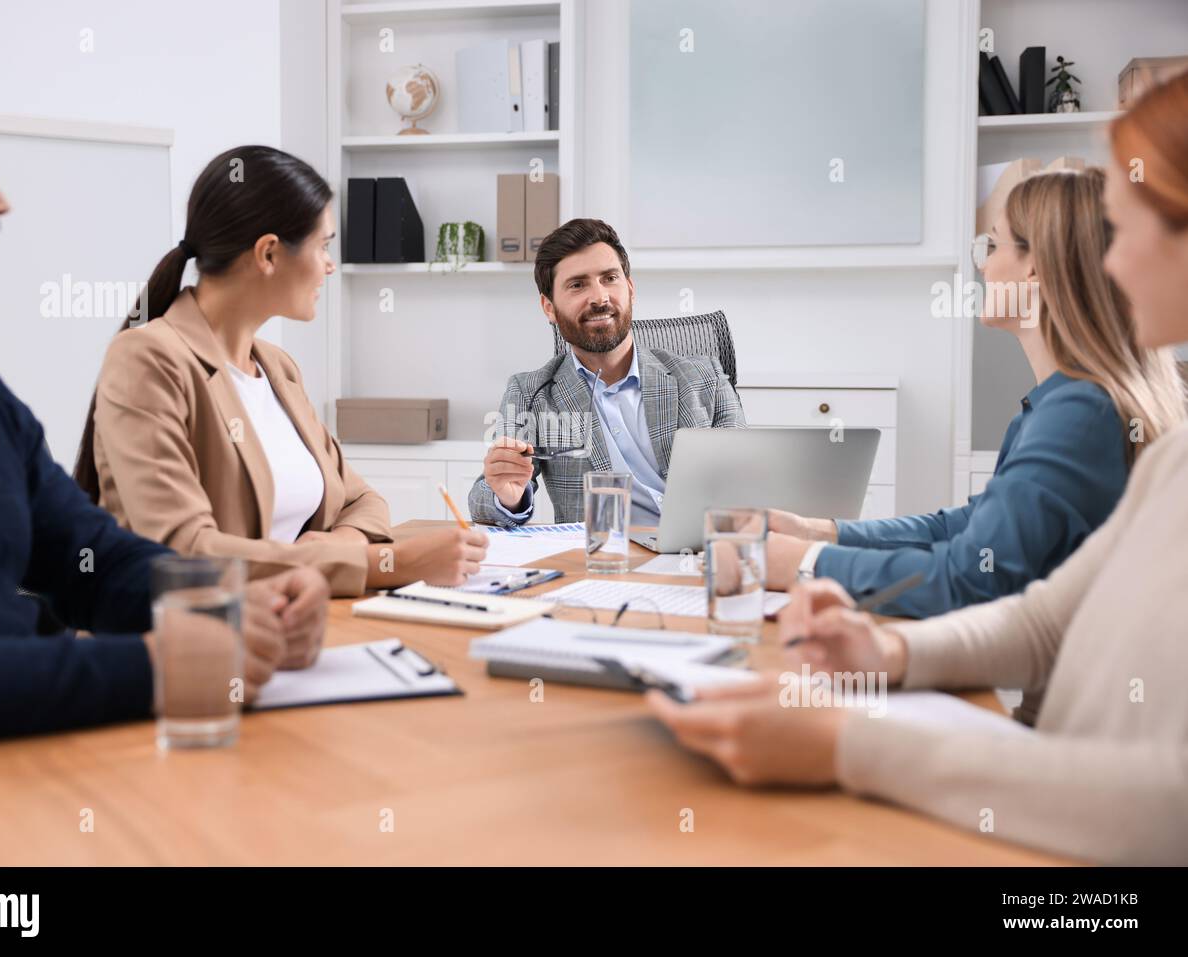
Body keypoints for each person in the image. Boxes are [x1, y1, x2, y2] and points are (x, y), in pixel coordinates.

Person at [649, 71, 1188, 866]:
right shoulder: (1164, 450)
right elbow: (1031, 606)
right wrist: (882, 642)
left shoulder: (1082, 408)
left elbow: (1164, 808)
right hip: (1040, 774)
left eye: (1128, 227)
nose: (1111, 259)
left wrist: (844, 729)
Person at [0, 13, 326, 750]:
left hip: (40, 772)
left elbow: (93, 559)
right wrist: (147, 669)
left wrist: (231, 603)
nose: (1, 201)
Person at [761, 168, 1184, 617]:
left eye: (993, 245)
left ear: (1036, 268)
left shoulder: (1081, 412)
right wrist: (816, 532)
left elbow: (971, 576)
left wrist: (802, 563)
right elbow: (971, 527)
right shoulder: (1061, 405)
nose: (982, 264)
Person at [74, 147, 487, 596]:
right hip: (187, 646)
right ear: (269, 253)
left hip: (295, 626)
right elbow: (185, 553)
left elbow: (362, 500)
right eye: (323, 246)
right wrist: (387, 563)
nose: (330, 264)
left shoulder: (277, 368)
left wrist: (341, 548)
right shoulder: (147, 359)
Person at [469, 218, 746, 527]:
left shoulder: (705, 377)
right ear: (549, 307)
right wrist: (508, 495)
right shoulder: (531, 392)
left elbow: (747, 482)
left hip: (695, 557)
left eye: (609, 278)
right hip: (601, 559)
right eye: (577, 285)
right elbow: (483, 501)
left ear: (629, 289)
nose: (600, 298)